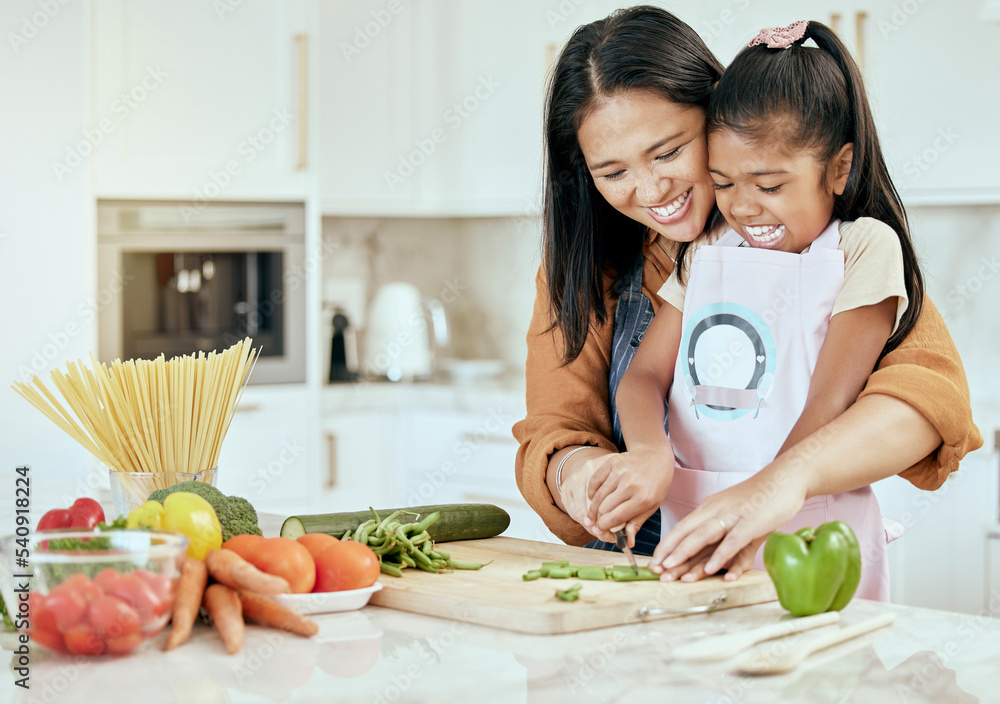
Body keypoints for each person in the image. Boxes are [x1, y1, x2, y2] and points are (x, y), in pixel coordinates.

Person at [512, 6, 982, 583]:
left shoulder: (842, 248)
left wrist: (780, 483)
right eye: (612, 172)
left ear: (716, 110)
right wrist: (585, 476)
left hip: (794, 547)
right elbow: (556, 429)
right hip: (642, 567)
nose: (652, 188)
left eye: (668, 152)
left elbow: (927, 401)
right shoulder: (603, 266)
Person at [608, 19, 917, 600]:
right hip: (696, 520)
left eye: (769, 185)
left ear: (840, 169)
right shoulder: (706, 250)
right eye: (723, 183)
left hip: (811, 522)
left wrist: (763, 494)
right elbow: (644, 376)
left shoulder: (863, 248)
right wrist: (648, 453)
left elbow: (833, 402)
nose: (744, 208)